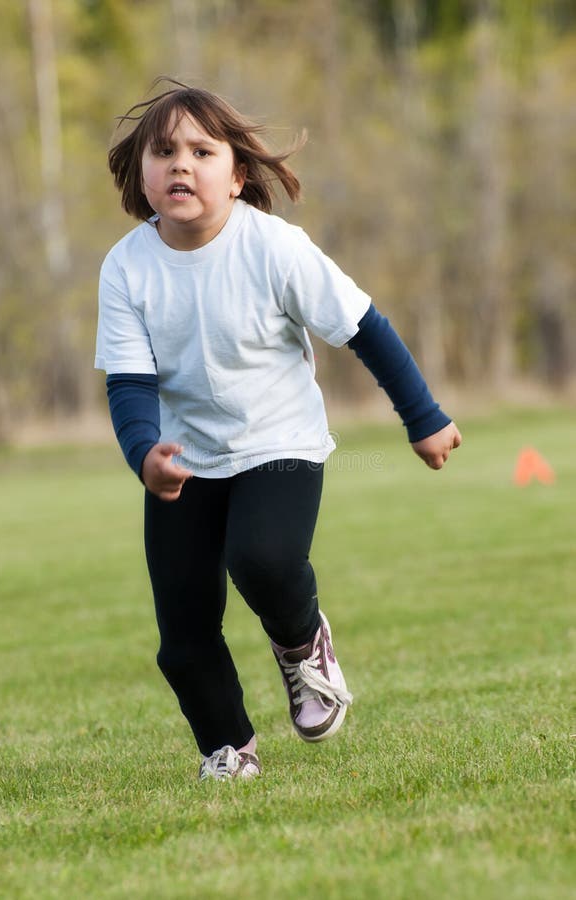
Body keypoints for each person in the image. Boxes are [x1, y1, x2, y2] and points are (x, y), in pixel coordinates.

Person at [95, 78, 461, 782]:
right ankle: (228, 749)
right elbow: (130, 383)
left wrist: (424, 418)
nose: (180, 164)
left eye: (201, 151)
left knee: (261, 559)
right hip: (184, 457)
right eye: (163, 152)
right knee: (183, 636)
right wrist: (145, 454)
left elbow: (364, 327)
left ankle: (301, 643)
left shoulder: (273, 248)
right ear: (141, 174)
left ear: (237, 176)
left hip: (279, 442)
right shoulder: (126, 267)